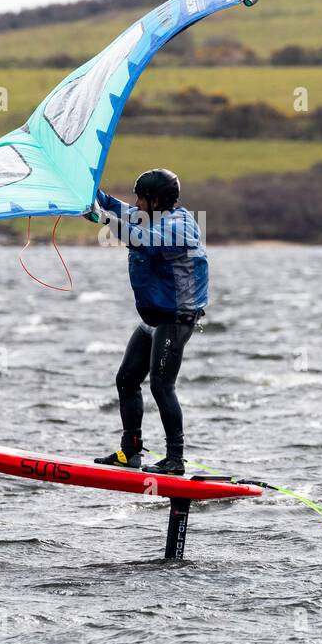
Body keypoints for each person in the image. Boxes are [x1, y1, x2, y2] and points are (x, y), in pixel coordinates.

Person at [86, 169, 207, 476]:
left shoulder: (181, 226)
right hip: (153, 318)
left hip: (176, 319)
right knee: (126, 379)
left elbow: (145, 241)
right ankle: (130, 453)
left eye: (141, 198)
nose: (136, 203)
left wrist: (104, 221)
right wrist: (91, 193)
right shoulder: (151, 214)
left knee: (161, 385)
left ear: (157, 201)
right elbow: (122, 210)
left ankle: (175, 459)